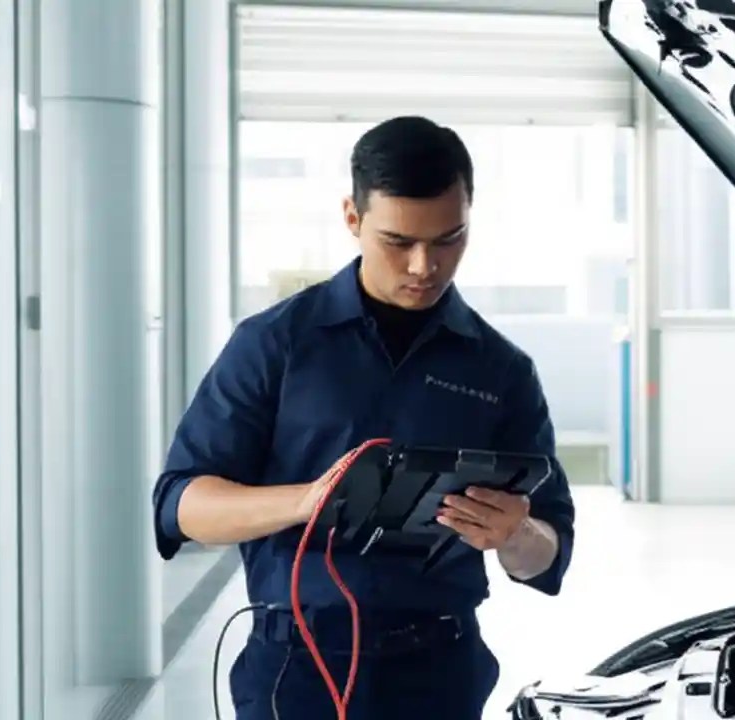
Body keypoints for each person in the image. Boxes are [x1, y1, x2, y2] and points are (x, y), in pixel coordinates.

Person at [152, 115, 575, 720]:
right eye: (398, 242)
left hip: (441, 674)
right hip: (296, 673)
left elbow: (550, 551)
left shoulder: (502, 369)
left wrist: (515, 535)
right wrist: (309, 500)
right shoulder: (275, 345)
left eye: (449, 238)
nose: (424, 266)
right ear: (353, 218)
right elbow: (180, 506)